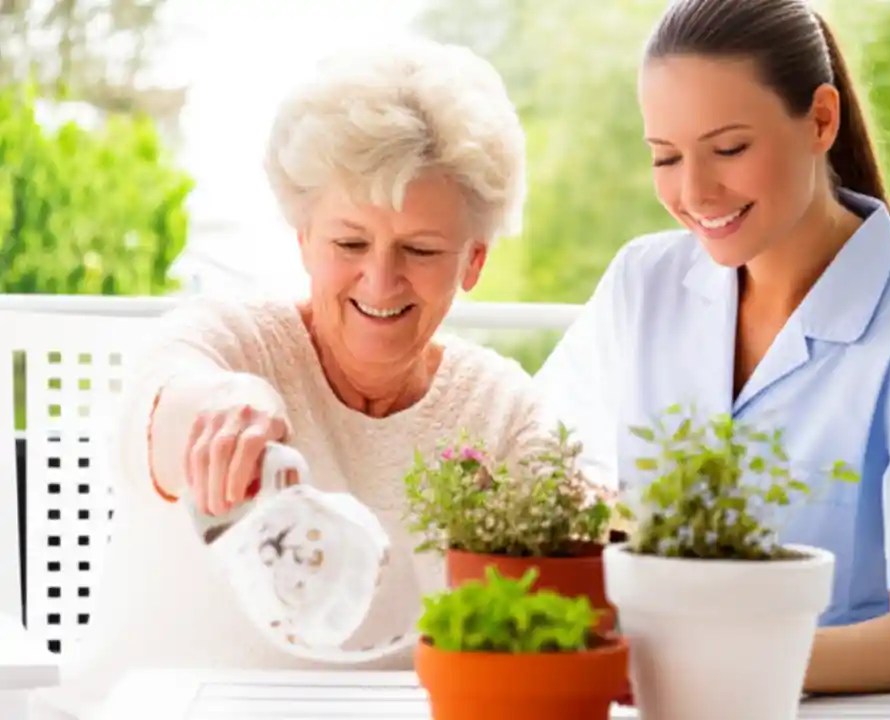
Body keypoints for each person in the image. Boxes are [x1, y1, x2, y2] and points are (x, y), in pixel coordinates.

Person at [38, 39, 549, 718]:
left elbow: (574, 582)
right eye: (349, 243)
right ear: (303, 237)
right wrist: (224, 409)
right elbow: (157, 410)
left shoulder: (503, 412)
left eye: (420, 250)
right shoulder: (231, 342)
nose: (381, 279)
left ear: (474, 261)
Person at [535, 0, 890, 695]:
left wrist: (716, 668)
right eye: (665, 157)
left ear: (820, 119)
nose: (693, 192)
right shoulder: (644, 281)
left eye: (728, 150)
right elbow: (544, 456)